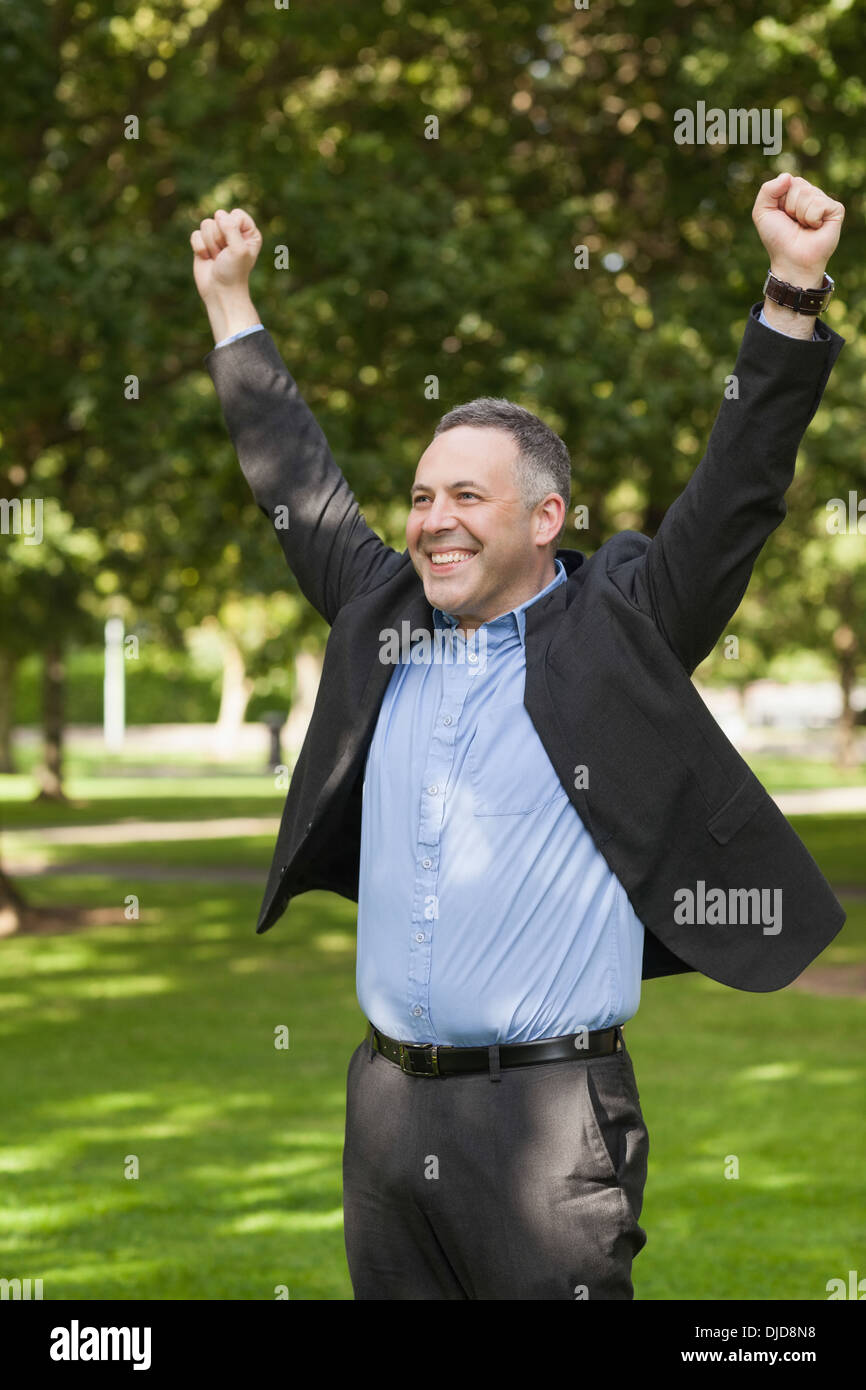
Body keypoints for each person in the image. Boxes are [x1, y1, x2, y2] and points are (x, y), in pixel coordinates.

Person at [191, 173, 846, 1299]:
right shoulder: (381, 614)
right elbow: (294, 484)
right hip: (386, 1110)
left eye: (466, 498)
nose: (432, 519)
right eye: (421, 495)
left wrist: (789, 291)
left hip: (547, 1124)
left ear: (544, 519)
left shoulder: (622, 628)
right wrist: (231, 308)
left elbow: (736, 488)